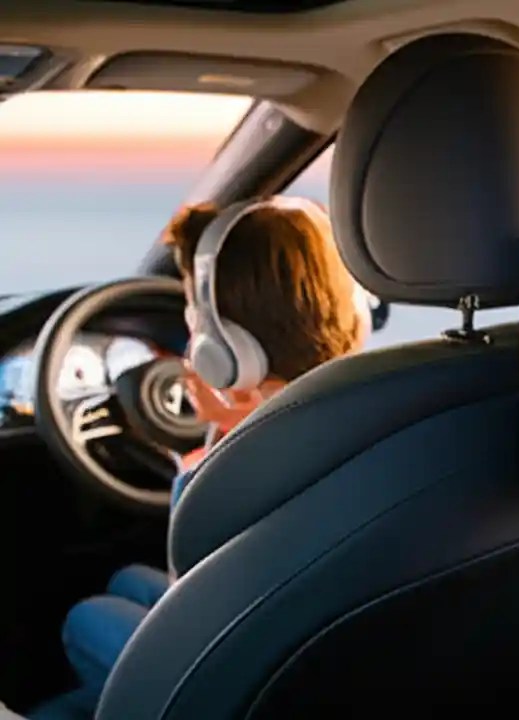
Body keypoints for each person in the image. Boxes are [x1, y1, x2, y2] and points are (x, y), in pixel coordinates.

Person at [56, 198, 371, 703]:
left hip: (259, 681)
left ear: (225, 345)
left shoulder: (236, 477)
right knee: (130, 580)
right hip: (315, 636)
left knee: (87, 619)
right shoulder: (369, 401)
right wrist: (232, 420)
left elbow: (193, 566)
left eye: (194, 315)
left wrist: (198, 458)